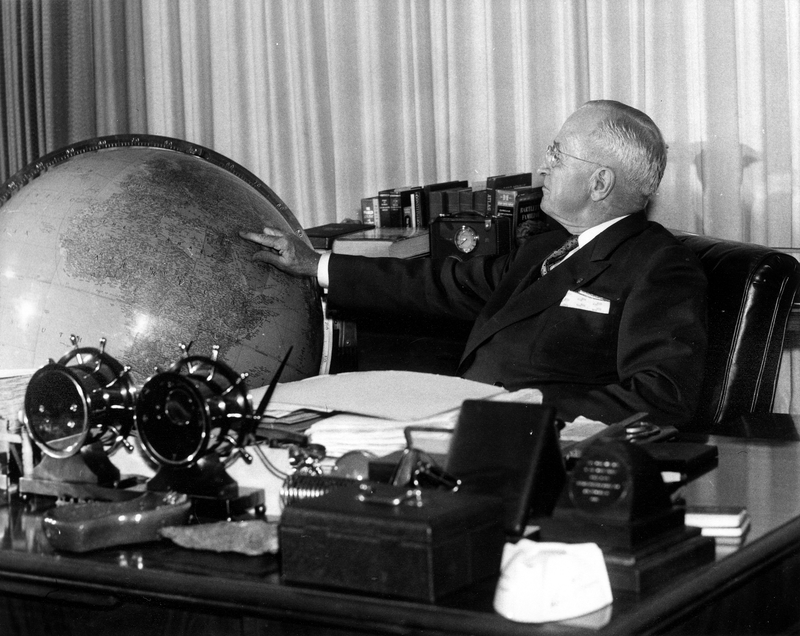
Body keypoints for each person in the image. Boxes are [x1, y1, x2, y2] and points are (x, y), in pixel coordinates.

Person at [240, 100, 708, 428]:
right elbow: (438, 284)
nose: (543, 168)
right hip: (459, 419)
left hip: (529, 443)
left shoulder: (659, 267)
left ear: (600, 183)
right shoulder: (543, 247)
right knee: (282, 412)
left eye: (557, 156)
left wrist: (525, 406)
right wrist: (317, 264)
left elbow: (660, 398)